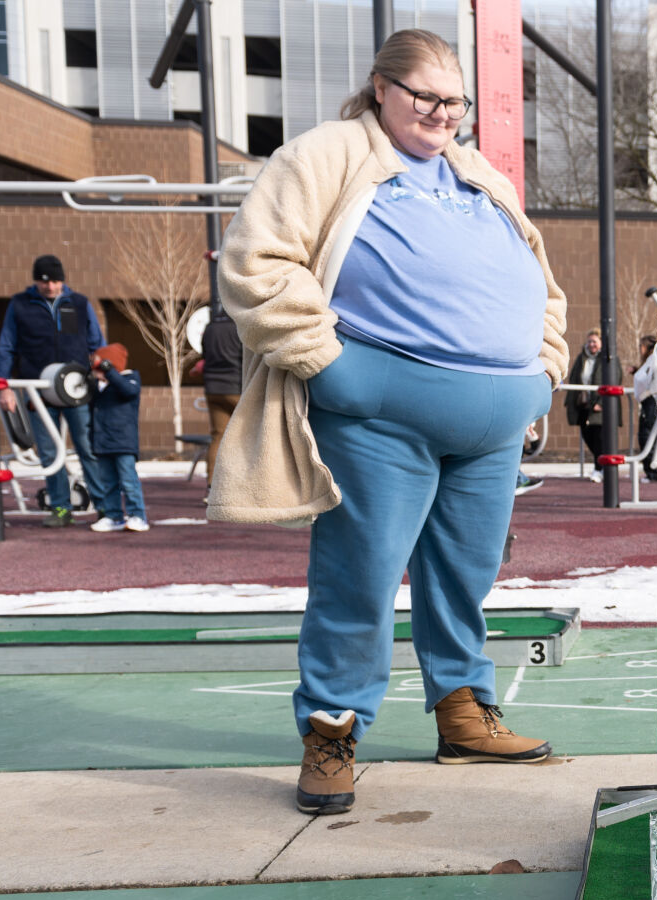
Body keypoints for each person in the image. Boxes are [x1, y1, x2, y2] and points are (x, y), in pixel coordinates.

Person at [211, 28, 569, 816]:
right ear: (382, 88)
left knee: (467, 576)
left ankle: (464, 712)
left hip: (495, 422)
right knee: (361, 576)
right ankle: (331, 732)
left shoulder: (478, 173)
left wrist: (543, 371)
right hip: (379, 412)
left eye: (456, 102)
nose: (443, 114)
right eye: (426, 97)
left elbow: (542, 282)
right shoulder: (325, 154)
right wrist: (328, 364)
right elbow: (255, 262)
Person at [0, 254, 106, 527]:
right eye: (44, 282)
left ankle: (106, 507)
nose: (50, 287)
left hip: (76, 389)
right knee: (48, 452)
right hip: (38, 391)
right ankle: (60, 508)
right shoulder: (20, 305)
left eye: (56, 281)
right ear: (36, 281)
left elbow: (97, 344)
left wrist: (103, 373)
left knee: (88, 448)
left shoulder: (79, 303)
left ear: (62, 280)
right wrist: (3, 386)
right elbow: (6, 347)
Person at [84, 343, 149, 532]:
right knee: (108, 483)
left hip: (123, 442)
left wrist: (109, 371)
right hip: (102, 443)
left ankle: (137, 515)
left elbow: (129, 391)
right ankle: (113, 516)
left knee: (128, 481)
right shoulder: (98, 386)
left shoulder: (129, 379)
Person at [563, 328, 620, 478]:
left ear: (601, 343)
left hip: (600, 405)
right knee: (587, 435)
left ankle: (600, 469)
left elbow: (615, 378)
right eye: (589, 341)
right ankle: (602, 467)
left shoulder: (608, 358)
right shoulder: (582, 358)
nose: (591, 344)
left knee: (599, 438)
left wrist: (602, 402)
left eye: (594, 341)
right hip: (584, 404)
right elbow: (575, 377)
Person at [200, 307, 243, 493]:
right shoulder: (239, 326)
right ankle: (243, 485)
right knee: (247, 435)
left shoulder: (210, 327)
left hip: (213, 388)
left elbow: (204, 356)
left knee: (218, 436)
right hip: (236, 387)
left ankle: (212, 485)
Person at [629, 333, 657, 482]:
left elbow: (644, 379)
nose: (640, 349)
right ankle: (653, 470)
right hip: (654, 401)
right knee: (651, 436)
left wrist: (642, 392)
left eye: (641, 346)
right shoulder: (656, 359)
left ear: (645, 347)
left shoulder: (654, 359)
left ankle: (653, 471)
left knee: (647, 436)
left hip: (651, 401)